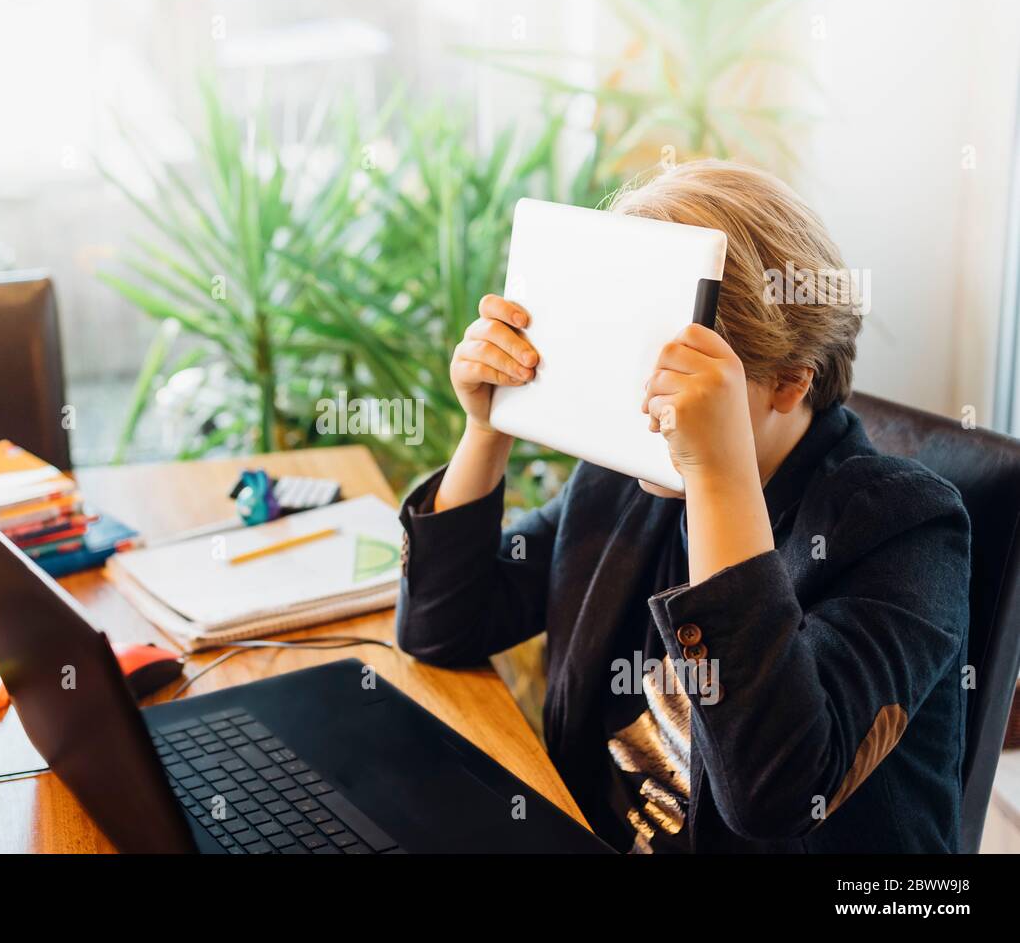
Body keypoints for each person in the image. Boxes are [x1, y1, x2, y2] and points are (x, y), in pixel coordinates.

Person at [395, 159, 971, 853]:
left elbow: (774, 794)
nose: (646, 401)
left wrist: (718, 474)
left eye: (681, 371)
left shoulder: (905, 532)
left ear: (790, 382)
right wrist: (486, 428)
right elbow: (441, 625)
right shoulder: (627, 478)